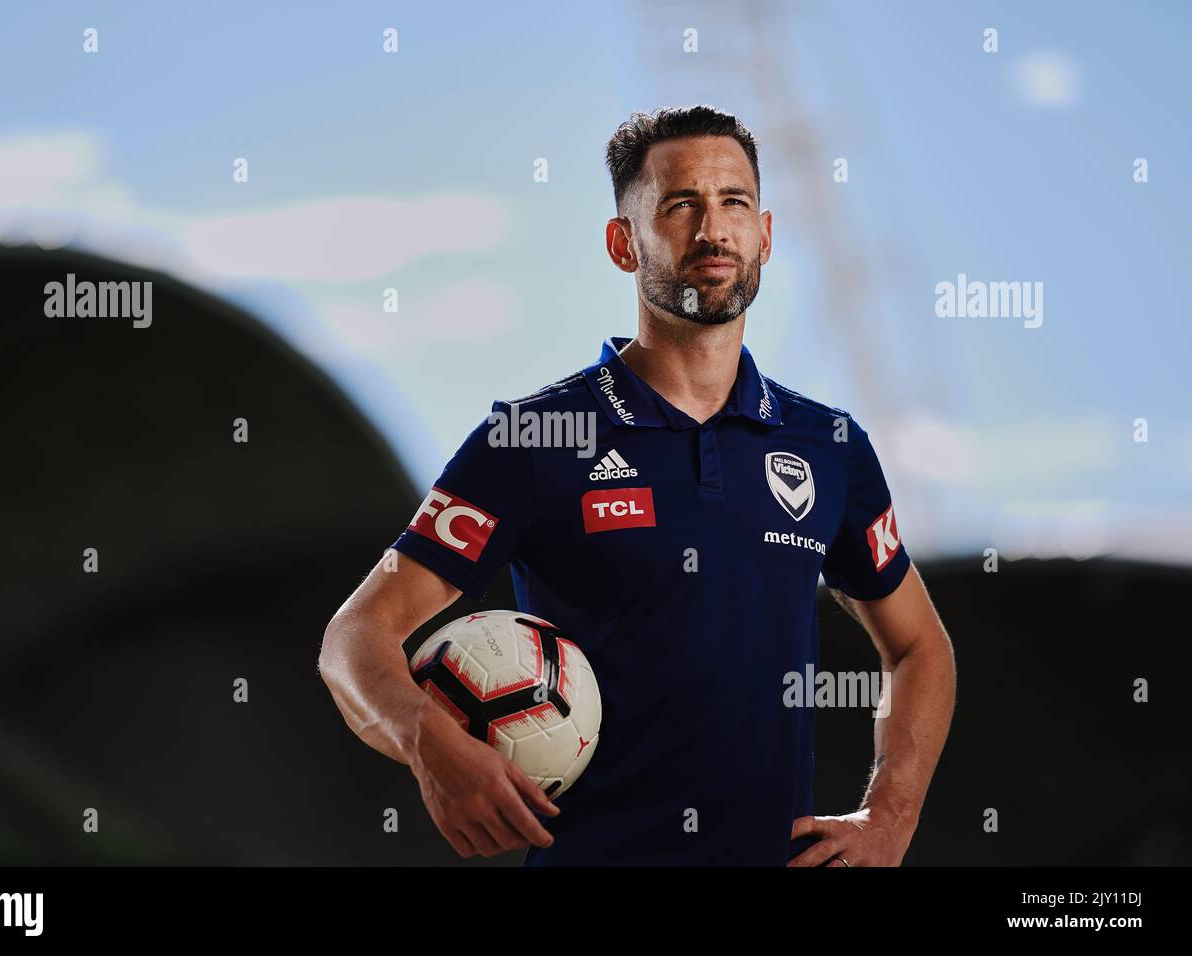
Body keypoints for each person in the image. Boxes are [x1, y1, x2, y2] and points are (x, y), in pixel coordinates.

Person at [319, 105, 956, 866]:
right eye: (680, 205)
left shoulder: (829, 447)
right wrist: (431, 743)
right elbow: (354, 638)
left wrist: (890, 817)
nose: (713, 231)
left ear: (766, 236)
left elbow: (921, 646)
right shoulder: (535, 437)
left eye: (735, 204)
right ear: (625, 243)